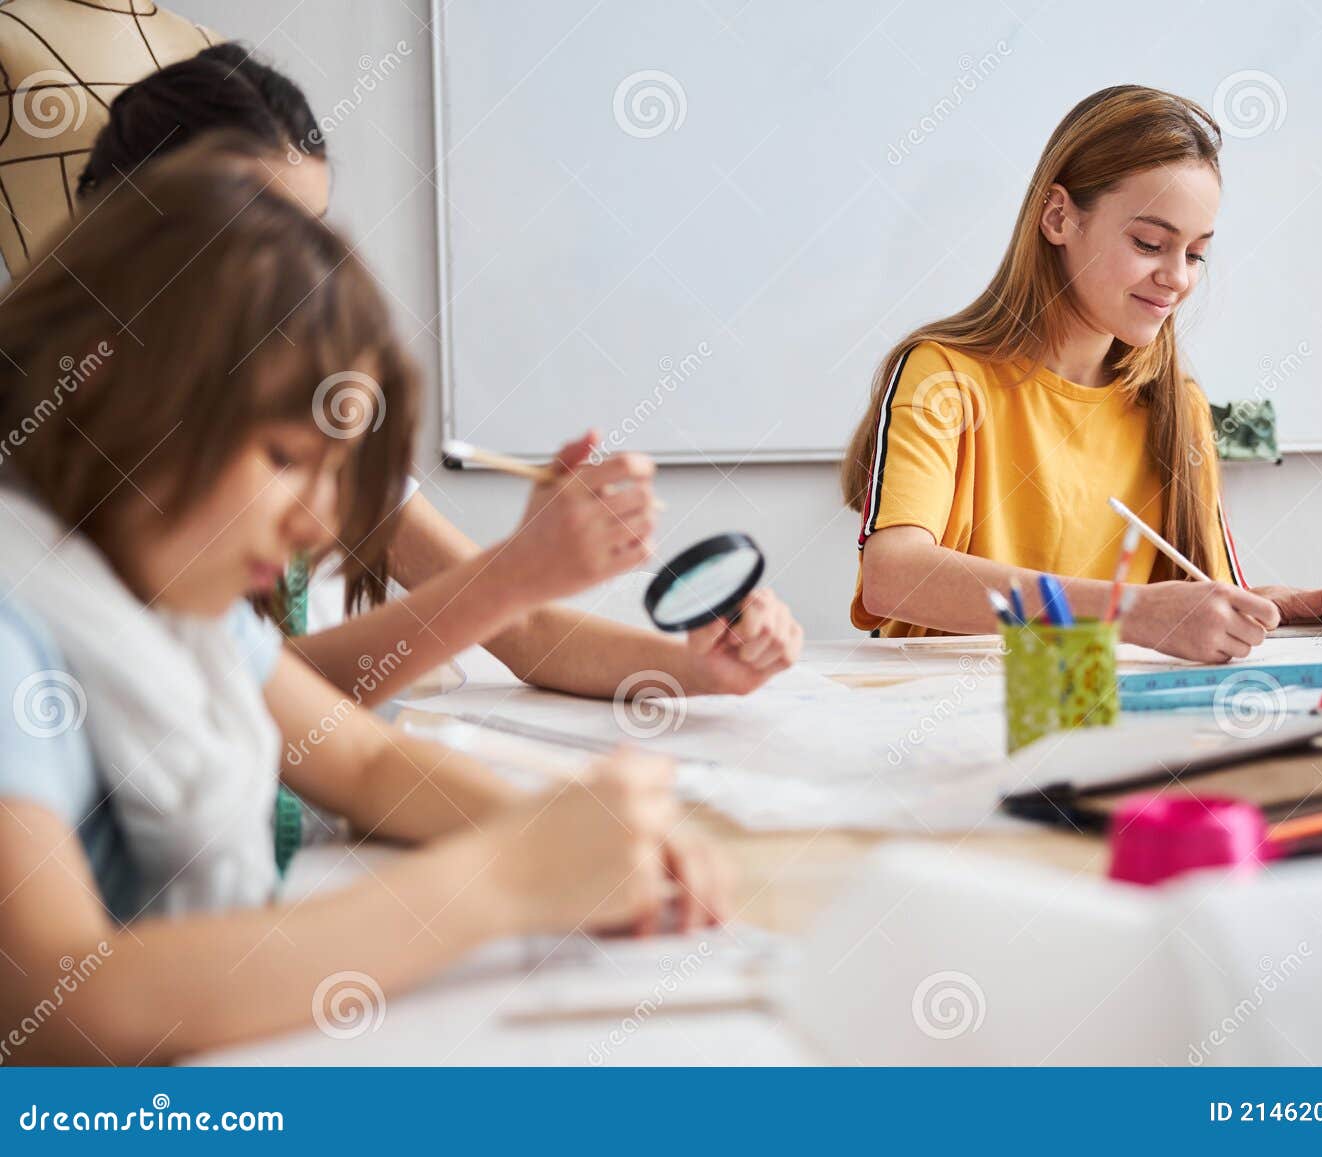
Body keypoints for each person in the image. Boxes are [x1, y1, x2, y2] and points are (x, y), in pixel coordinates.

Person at [0, 141, 728, 1064]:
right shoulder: (17, 626)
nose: (319, 525)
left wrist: (574, 839)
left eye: (335, 475)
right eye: (281, 458)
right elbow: (70, 1004)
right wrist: (507, 879)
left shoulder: (170, 598)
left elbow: (370, 761)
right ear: (109, 391)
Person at [78, 43, 804, 707]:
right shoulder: (72, 457)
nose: (306, 279)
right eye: (258, 229)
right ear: (138, 231)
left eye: (314, 232)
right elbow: (243, 694)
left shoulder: (315, 417)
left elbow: (522, 633)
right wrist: (513, 573)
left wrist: (699, 669)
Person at [843, 85, 1322, 661]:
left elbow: (1202, 598)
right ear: (1058, 218)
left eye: (1196, 254)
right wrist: (1128, 611)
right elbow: (895, 576)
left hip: (1097, 712)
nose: (1179, 277)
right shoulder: (943, 376)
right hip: (947, 722)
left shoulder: (1176, 404)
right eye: (1150, 242)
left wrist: (1279, 606)